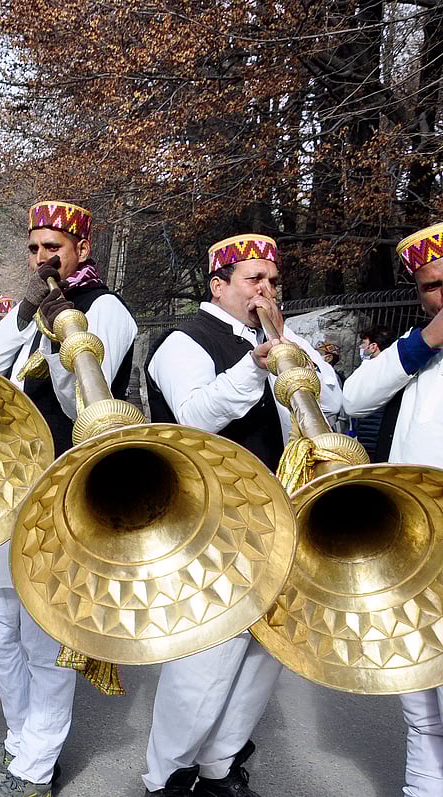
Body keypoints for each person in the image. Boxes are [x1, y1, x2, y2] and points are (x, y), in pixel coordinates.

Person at [142, 233, 342, 797]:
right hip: (215, 519)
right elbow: (194, 416)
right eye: (254, 280)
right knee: (207, 656)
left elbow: (334, 401)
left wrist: (286, 343)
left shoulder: (279, 338)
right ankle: (168, 776)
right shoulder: (183, 340)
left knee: (263, 653)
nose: (266, 291)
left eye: (273, 281)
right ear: (218, 286)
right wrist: (255, 368)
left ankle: (219, 766)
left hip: (279, 511)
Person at [0, 201, 137, 797]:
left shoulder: (107, 309)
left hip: (59, 483)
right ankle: (22, 738)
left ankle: (37, 764)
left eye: (54, 248)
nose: (42, 258)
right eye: (35, 248)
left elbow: (80, 403)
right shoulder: (31, 307)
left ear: (81, 250)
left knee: (43, 635)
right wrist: (26, 316)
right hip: (3, 483)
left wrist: (66, 329)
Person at [342, 223, 443, 797]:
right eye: (432, 287)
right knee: (419, 703)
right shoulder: (416, 347)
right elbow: (354, 398)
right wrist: (425, 341)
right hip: (412, 544)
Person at [350, 324, 399, 461]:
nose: (361, 347)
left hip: (371, 439)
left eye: (363, 343)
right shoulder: (395, 369)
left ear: (373, 347)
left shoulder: (373, 371)